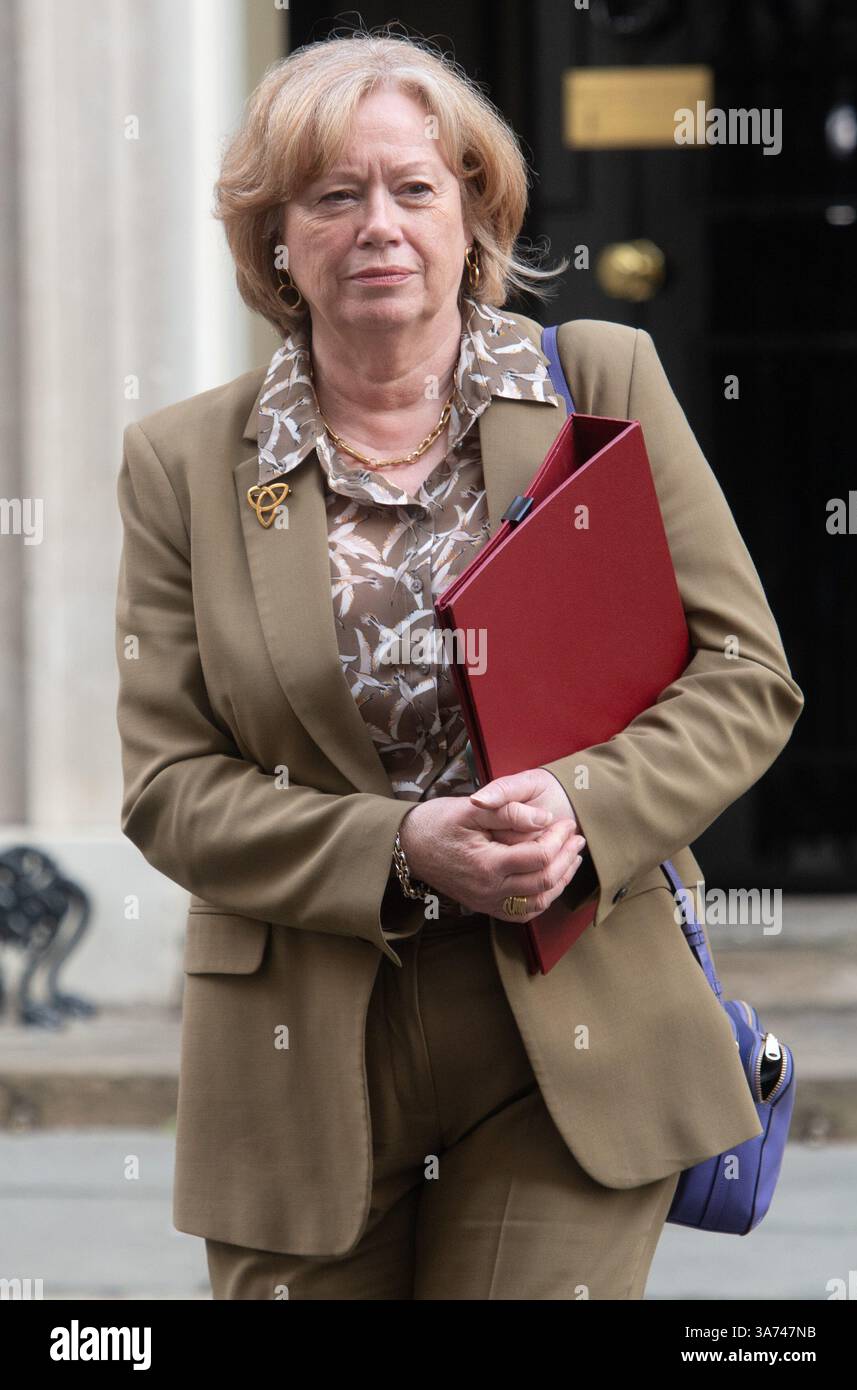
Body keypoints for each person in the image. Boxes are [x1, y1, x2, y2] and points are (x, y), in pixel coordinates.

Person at [114, 31, 804, 1300]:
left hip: (569, 1021)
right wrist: (398, 844)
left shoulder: (599, 383)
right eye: (333, 195)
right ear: (277, 237)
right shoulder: (183, 464)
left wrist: (585, 806)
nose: (378, 224)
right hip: (302, 1051)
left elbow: (743, 675)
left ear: (473, 214)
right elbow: (168, 786)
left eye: (414, 188)